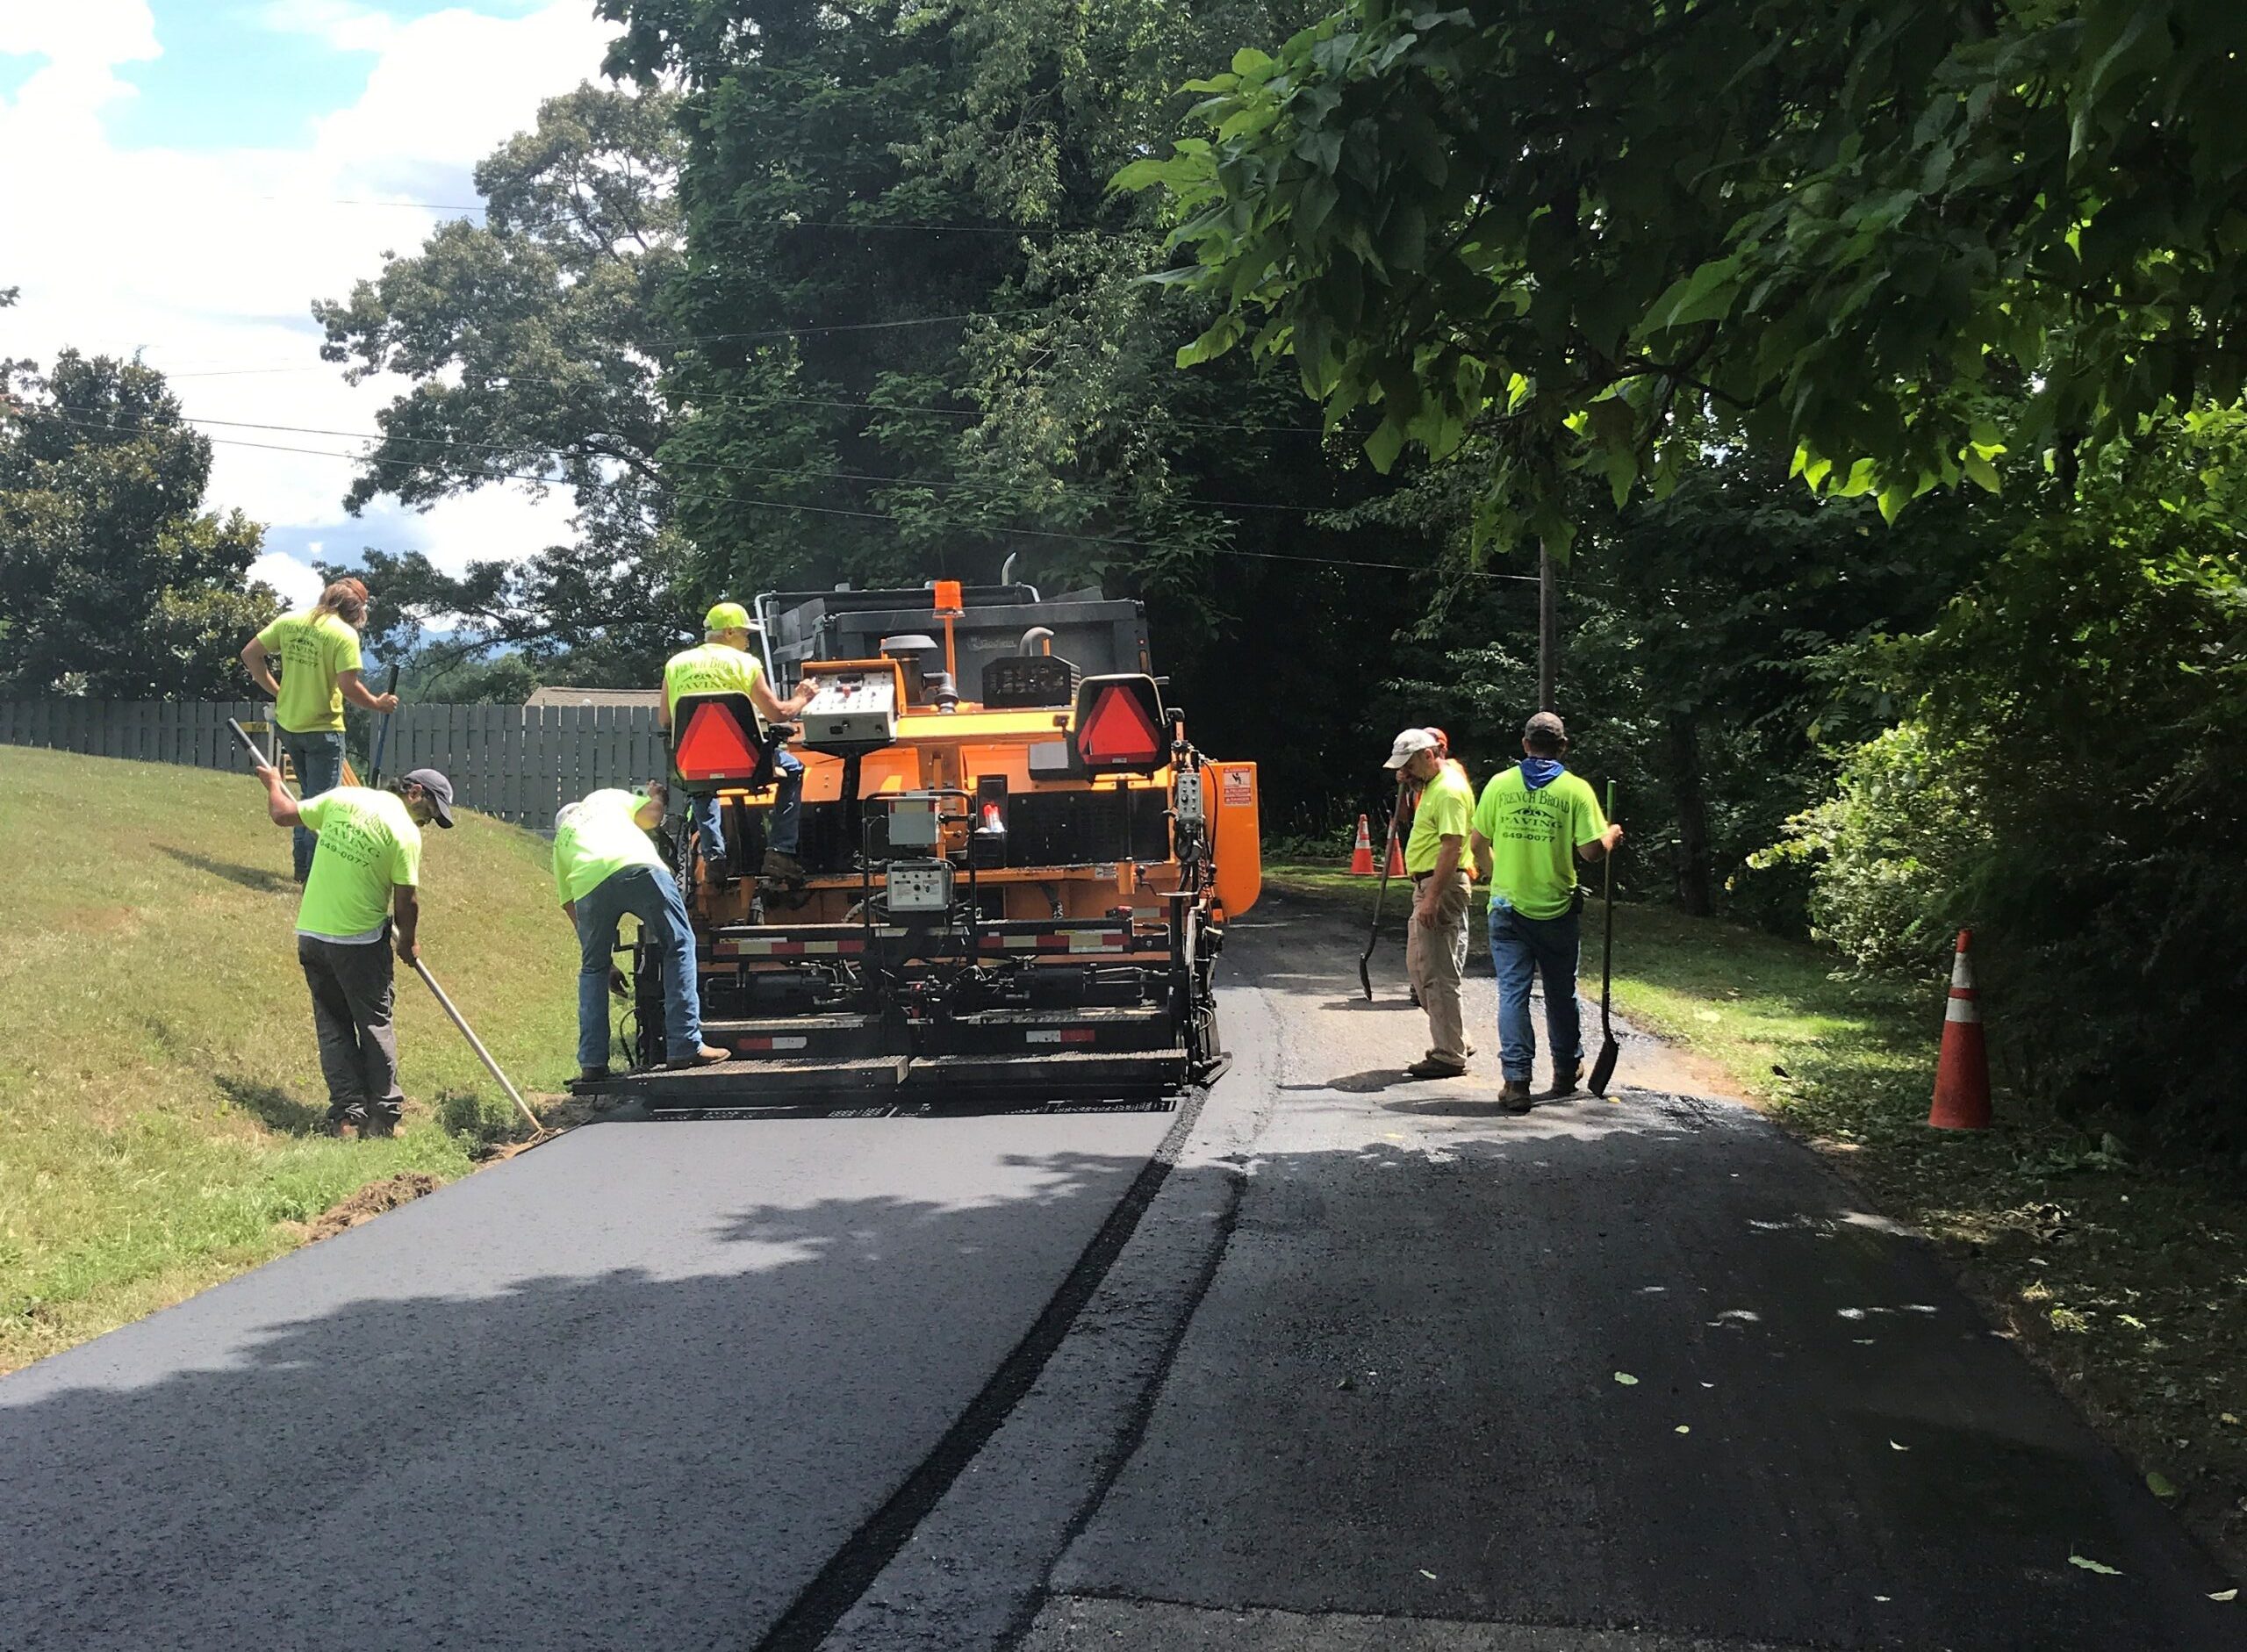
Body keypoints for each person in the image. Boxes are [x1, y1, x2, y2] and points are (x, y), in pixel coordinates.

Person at [248, 758, 454, 1138]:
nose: (428, 822)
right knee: (374, 1024)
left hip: (313, 935)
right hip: (359, 942)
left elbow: (282, 814)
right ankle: (384, 1118)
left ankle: (348, 1116)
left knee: (334, 1027)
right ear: (414, 793)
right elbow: (406, 902)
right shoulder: (405, 834)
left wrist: (274, 783)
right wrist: (408, 943)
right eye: (429, 811)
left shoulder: (344, 799)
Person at [1469, 711, 1624, 1112]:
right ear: (1562, 747)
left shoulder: (1500, 785)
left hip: (1507, 907)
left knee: (1513, 994)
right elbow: (1590, 852)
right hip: (1556, 910)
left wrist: (1496, 874)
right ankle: (1565, 1069)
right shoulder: (1575, 790)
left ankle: (1517, 1082)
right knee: (1560, 993)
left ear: (1524, 745)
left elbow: (1476, 842)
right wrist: (1610, 835)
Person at [554, 781, 725, 1081]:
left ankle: (592, 1063)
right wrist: (656, 794)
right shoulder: (602, 797)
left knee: (591, 970)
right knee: (679, 945)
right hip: (638, 867)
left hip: (588, 886)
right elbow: (652, 817)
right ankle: (685, 1045)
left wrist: (605, 964)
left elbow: (572, 909)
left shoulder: (561, 842)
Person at [240, 578, 401, 884]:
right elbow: (348, 686)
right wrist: (377, 704)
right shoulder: (343, 634)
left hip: (288, 724)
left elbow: (250, 654)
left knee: (307, 799)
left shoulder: (290, 621)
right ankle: (314, 877)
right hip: (323, 730)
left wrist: (277, 691)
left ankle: (301, 868)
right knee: (321, 805)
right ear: (356, 611)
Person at [657, 600, 815, 887]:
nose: (747, 641)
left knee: (702, 782)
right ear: (729, 632)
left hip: (692, 763)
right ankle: (780, 851)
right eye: (745, 634)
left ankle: (714, 856)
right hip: (747, 763)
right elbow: (778, 714)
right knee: (793, 770)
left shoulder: (675, 664)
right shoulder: (746, 664)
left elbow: (665, 721)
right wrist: (802, 697)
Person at [1385, 727, 1477, 1080]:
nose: (1406, 769)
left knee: (1437, 973)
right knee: (1420, 969)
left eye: (1410, 762)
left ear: (1429, 754)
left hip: (1439, 887)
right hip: (1425, 887)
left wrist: (1433, 898)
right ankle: (1456, 1038)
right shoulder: (1432, 786)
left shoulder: (1450, 790)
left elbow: (1452, 847)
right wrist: (1410, 781)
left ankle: (1449, 1054)